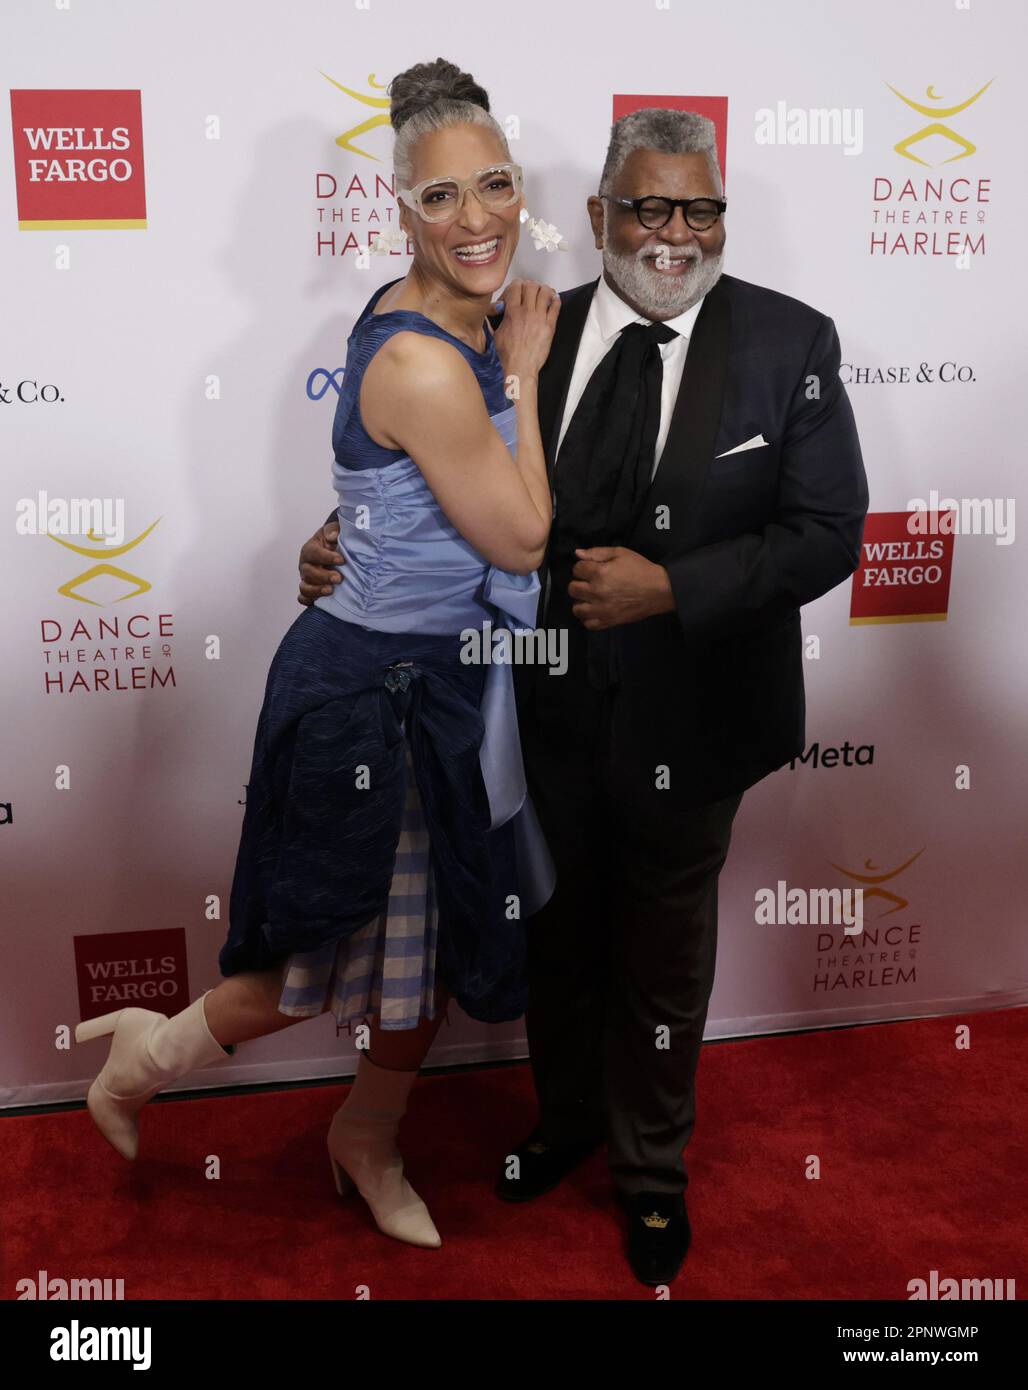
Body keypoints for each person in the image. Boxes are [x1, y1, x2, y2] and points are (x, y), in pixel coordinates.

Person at [298, 106, 869, 1284]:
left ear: (721, 217)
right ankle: (562, 1125)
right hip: (534, 709)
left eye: (698, 208)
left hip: (697, 716)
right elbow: (427, 471)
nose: (673, 233)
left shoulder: (788, 343)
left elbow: (826, 535)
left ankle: (650, 1173)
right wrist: (338, 540)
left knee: (661, 953)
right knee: (553, 934)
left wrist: (674, 587)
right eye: (647, 207)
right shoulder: (525, 326)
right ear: (601, 215)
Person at [74, 58, 560, 1251]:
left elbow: (388, 503)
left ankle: (369, 1129)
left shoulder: (464, 314)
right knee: (301, 963)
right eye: (440, 197)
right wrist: (528, 383)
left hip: (444, 686)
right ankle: (139, 1060)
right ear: (400, 207)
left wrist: (348, 535)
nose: (475, 217)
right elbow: (524, 531)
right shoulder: (426, 355)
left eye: (493, 185)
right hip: (366, 697)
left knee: (432, 947)